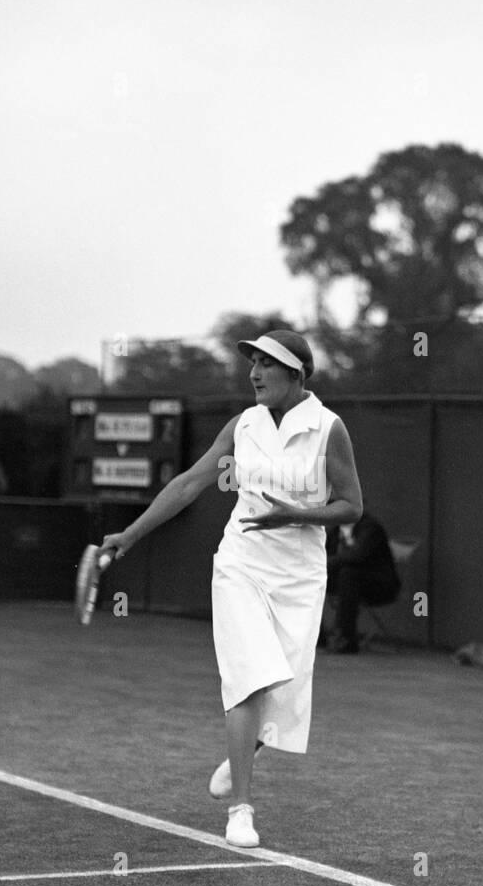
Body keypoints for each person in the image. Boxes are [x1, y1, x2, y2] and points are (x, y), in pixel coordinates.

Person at [99, 330, 363, 848]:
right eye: (253, 363)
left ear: (297, 374)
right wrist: (129, 535)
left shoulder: (329, 429)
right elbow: (190, 483)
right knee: (247, 677)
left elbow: (351, 505)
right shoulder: (243, 424)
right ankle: (241, 809)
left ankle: (239, 754)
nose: (255, 373)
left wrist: (297, 515)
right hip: (241, 565)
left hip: (301, 576)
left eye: (267, 364)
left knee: (280, 691)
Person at [322, 509, 401, 653]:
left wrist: (326, 562)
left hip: (379, 585)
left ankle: (345, 638)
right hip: (346, 583)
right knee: (314, 578)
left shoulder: (370, 527)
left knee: (349, 574)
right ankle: (317, 636)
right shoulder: (334, 531)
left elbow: (357, 555)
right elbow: (323, 555)